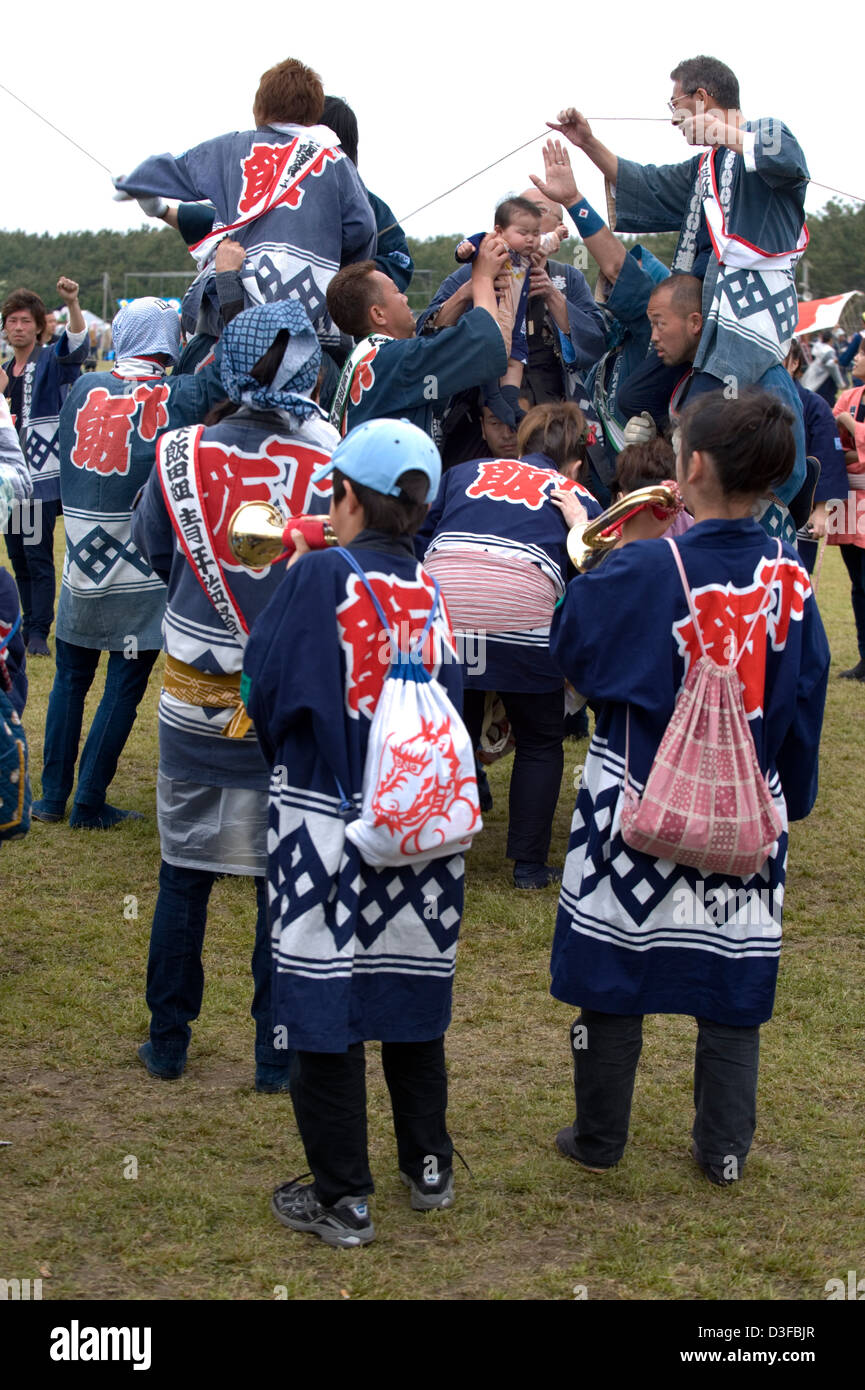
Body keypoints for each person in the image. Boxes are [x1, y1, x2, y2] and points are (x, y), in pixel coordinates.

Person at [548, 390, 829, 1183]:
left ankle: (599, 1138)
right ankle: (724, 1149)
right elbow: (803, 702)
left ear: (691, 465)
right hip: (745, 808)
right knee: (731, 985)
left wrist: (620, 548)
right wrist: (787, 800)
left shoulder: (643, 563)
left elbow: (569, 647)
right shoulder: (792, 582)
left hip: (634, 800)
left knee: (611, 975)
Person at [243, 417, 467, 1247]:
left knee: (321, 1000)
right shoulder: (432, 585)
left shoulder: (321, 577)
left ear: (346, 496)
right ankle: (428, 1165)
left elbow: (266, 687)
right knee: (408, 992)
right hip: (420, 824)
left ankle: (345, 1197)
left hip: (326, 818)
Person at [130, 299, 338, 1090]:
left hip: (193, 691)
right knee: (279, 878)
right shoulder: (331, 462)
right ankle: (274, 1055)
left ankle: (168, 1043)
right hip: (285, 698)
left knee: (183, 872)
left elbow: (157, 548)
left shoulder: (180, 453)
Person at [32, 296, 226, 829]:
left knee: (70, 679)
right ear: (167, 340)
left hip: (80, 564)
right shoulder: (177, 396)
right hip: (141, 571)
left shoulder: (81, 390)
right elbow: (229, 359)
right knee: (123, 683)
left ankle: (51, 799)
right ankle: (89, 802)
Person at [418, 401, 602, 888]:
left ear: (522, 445)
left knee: (449, 732)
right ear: (575, 462)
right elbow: (597, 572)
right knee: (540, 740)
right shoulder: (576, 492)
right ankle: (528, 866)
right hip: (521, 618)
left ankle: (435, 851)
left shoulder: (462, 472)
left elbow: (420, 533)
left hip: (448, 613)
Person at [114, 57, 376, 350]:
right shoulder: (334, 160)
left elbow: (180, 169)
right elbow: (362, 228)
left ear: (258, 108)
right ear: (315, 112)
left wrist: (135, 181)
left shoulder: (232, 148)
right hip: (307, 309)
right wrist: (341, 270)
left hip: (236, 301)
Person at [325, 243, 509, 436]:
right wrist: (483, 278)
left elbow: (428, 350)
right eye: (397, 292)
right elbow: (484, 338)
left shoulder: (372, 359)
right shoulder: (397, 360)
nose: (405, 298)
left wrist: (463, 294)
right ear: (378, 314)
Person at [2, 279, 88, 656]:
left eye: (24, 320)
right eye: (11, 321)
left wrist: (72, 304)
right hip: (9, 480)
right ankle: (25, 624)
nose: (18, 327)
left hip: (37, 480)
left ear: (38, 326)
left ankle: (38, 632)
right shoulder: (5, 371)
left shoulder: (51, 361)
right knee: (17, 555)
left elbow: (77, 347)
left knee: (36, 556)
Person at [454, 197, 566, 424]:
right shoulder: (493, 244)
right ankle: (492, 395)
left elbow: (548, 240)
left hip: (517, 315)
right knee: (495, 350)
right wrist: (465, 250)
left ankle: (510, 398)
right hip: (497, 310)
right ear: (499, 230)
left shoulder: (528, 251)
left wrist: (558, 234)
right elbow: (467, 247)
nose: (530, 239)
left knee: (517, 355)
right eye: (523, 232)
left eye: (535, 233)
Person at [783, 338, 846, 574]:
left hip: (801, 507)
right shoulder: (752, 399)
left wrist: (821, 510)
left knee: (796, 576)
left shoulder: (814, 405)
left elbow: (826, 456)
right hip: (757, 504)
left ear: (795, 363)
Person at [827, 340, 865, 679]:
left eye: (863, 354)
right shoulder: (850, 398)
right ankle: (864, 658)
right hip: (852, 501)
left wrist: (853, 428)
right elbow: (833, 442)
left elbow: (846, 437)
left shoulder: (848, 409)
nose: (855, 358)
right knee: (857, 583)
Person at [801, 331, 844, 406]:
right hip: (824, 381)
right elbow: (832, 367)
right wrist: (840, 383)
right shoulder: (828, 351)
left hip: (814, 377)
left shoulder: (818, 347)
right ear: (830, 339)